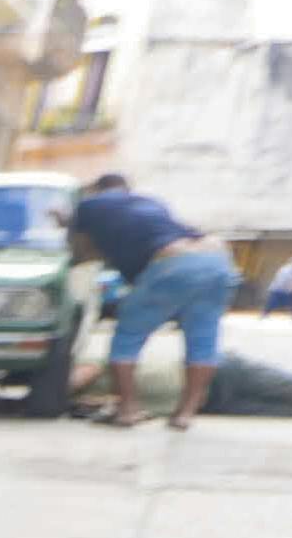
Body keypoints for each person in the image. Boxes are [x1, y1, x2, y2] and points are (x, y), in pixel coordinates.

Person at [65, 172, 237, 428]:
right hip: (217, 259)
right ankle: (184, 414)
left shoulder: (89, 205)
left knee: (127, 338)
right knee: (203, 339)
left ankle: (127, 409)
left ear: (98, 189)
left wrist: (62, 220)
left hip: (173, 262)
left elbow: (79, 247)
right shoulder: (150, 203)